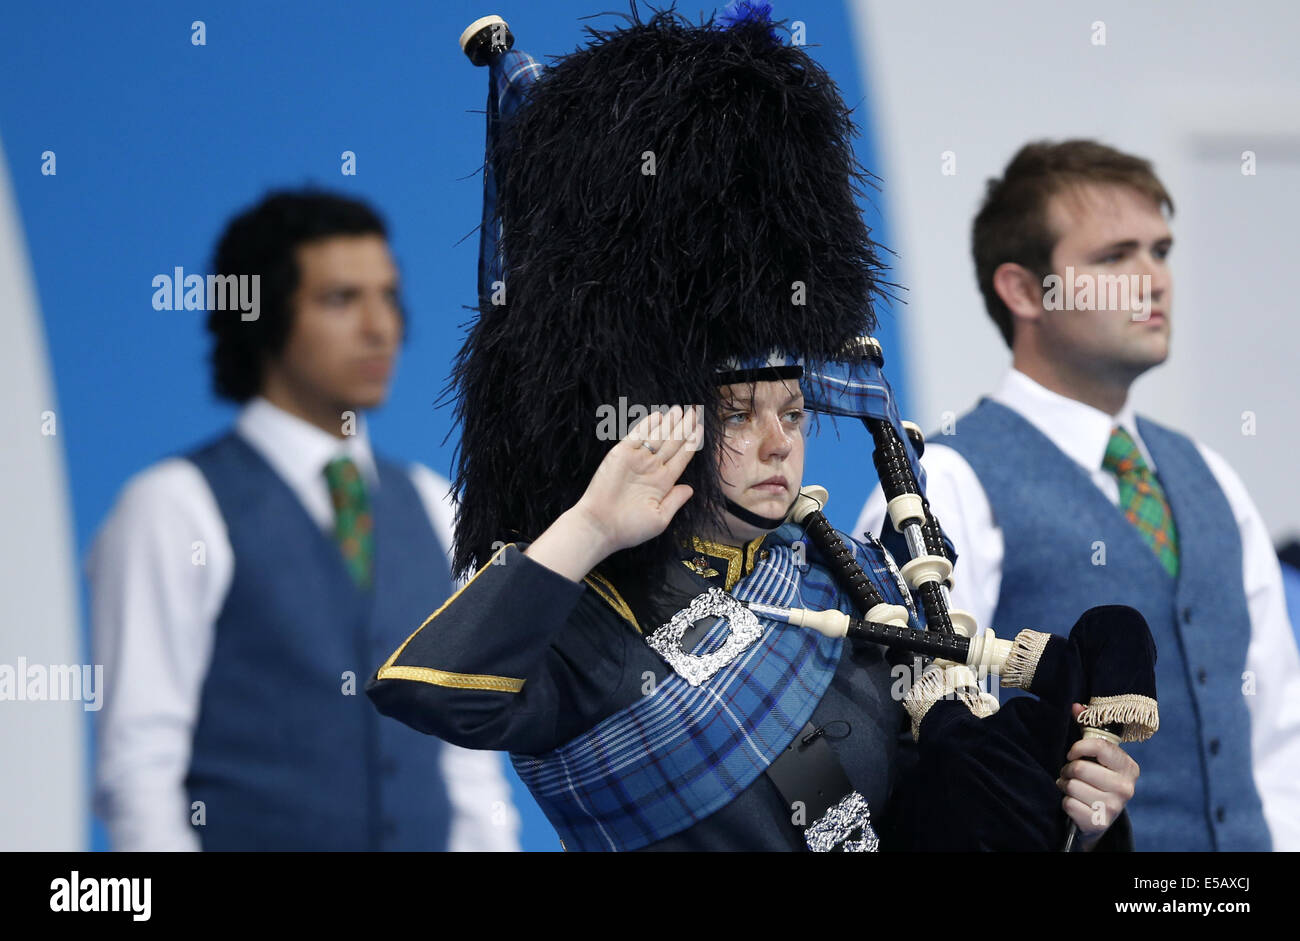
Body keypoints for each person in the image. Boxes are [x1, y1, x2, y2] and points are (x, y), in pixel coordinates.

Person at [366, 7, 1139, 852]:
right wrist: (590, 524)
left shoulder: (852, 576)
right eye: (738, 415)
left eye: (796, 412)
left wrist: (1083, 820)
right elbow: (426, 688)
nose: (780, 443)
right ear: (657, 423)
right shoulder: (585, 633)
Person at [859, 139, 1300, 851]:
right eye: (1114, 257)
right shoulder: (941, 481)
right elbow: (916, 754)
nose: (1153, 278)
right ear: (1025, 290)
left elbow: (1282, 732)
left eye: (1160, 250)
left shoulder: (1211, 476)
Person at [87, 189, 519, 851]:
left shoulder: (435, 505)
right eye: (341, 299)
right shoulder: (173, 507)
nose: (382, 327)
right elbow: (140, 771)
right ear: (260, 316)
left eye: (389, 295)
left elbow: (467, 765)